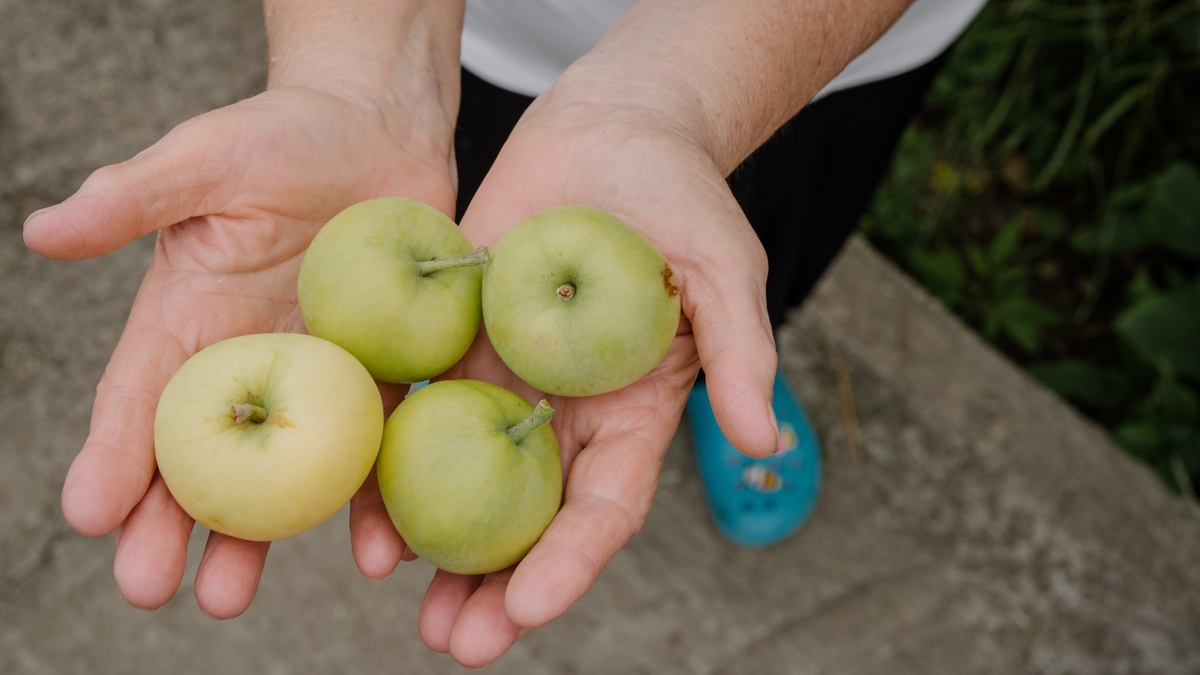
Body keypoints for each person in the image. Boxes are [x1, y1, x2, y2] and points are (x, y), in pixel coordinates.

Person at [22, 0, 985, 667]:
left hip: (801, 47)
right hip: (485, 34)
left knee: (737, 253)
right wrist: (357, 75)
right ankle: (685, 357)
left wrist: (668, 102)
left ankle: (716, 365)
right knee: (485, 232)